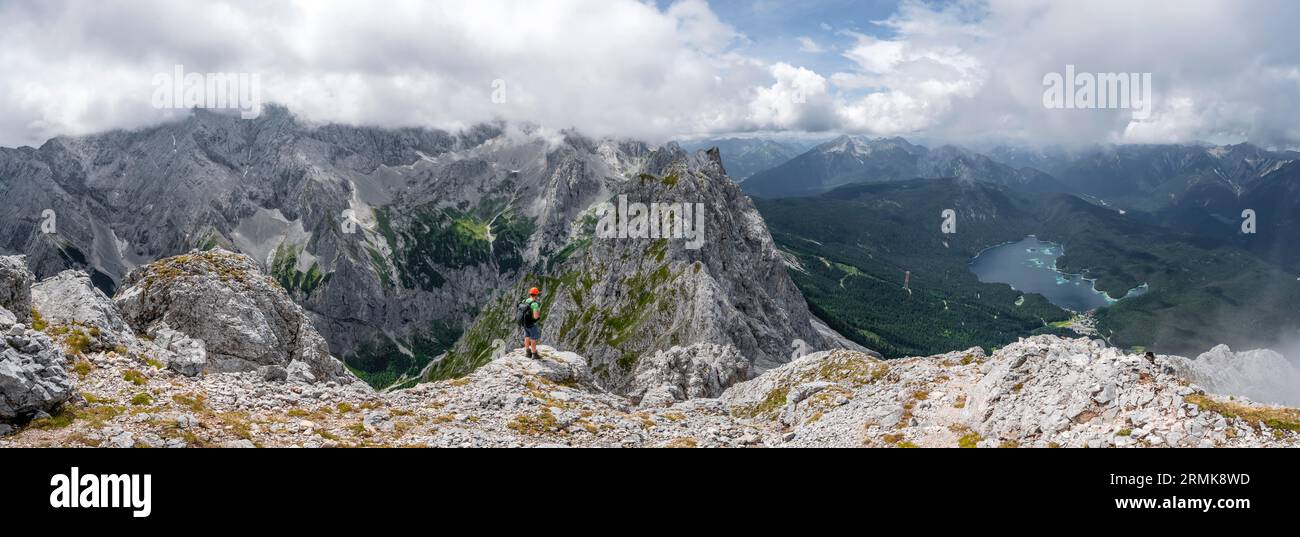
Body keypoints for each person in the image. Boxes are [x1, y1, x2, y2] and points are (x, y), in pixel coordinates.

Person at [519, 287, 542, 359]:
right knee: (533, 339)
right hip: (532, 324)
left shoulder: (524, 301)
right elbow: (535, 316)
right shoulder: (534, 304)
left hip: (524, 323)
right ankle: (534, 354)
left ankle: (527, 352)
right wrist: (538, 316)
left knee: (527, 336)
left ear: (530, 293)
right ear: (536, 295)